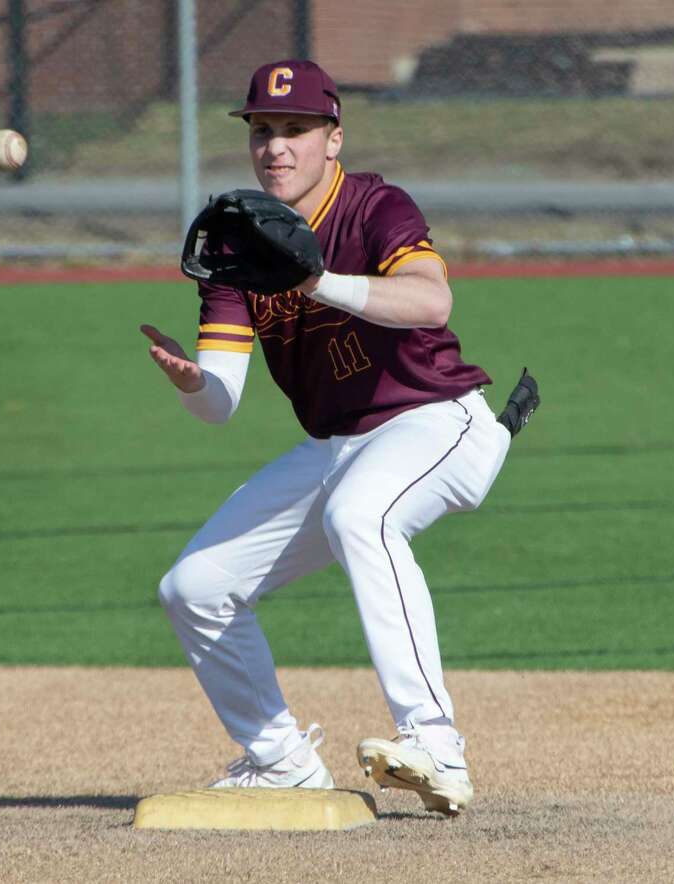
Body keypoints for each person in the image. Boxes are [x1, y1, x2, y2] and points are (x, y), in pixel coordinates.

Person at [139, 59, 512, 815]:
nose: (276, 147)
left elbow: (431, 302)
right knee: (195, 589)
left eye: (296, 131)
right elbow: (222, 402)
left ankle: (435, 744)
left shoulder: (372, 204)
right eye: (263, 131)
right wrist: (192, 384)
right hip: (340, 446)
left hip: (440, 419)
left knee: (360, 515)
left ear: (333, 139)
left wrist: (316, 282)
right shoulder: (235, 245)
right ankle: (280, 760)